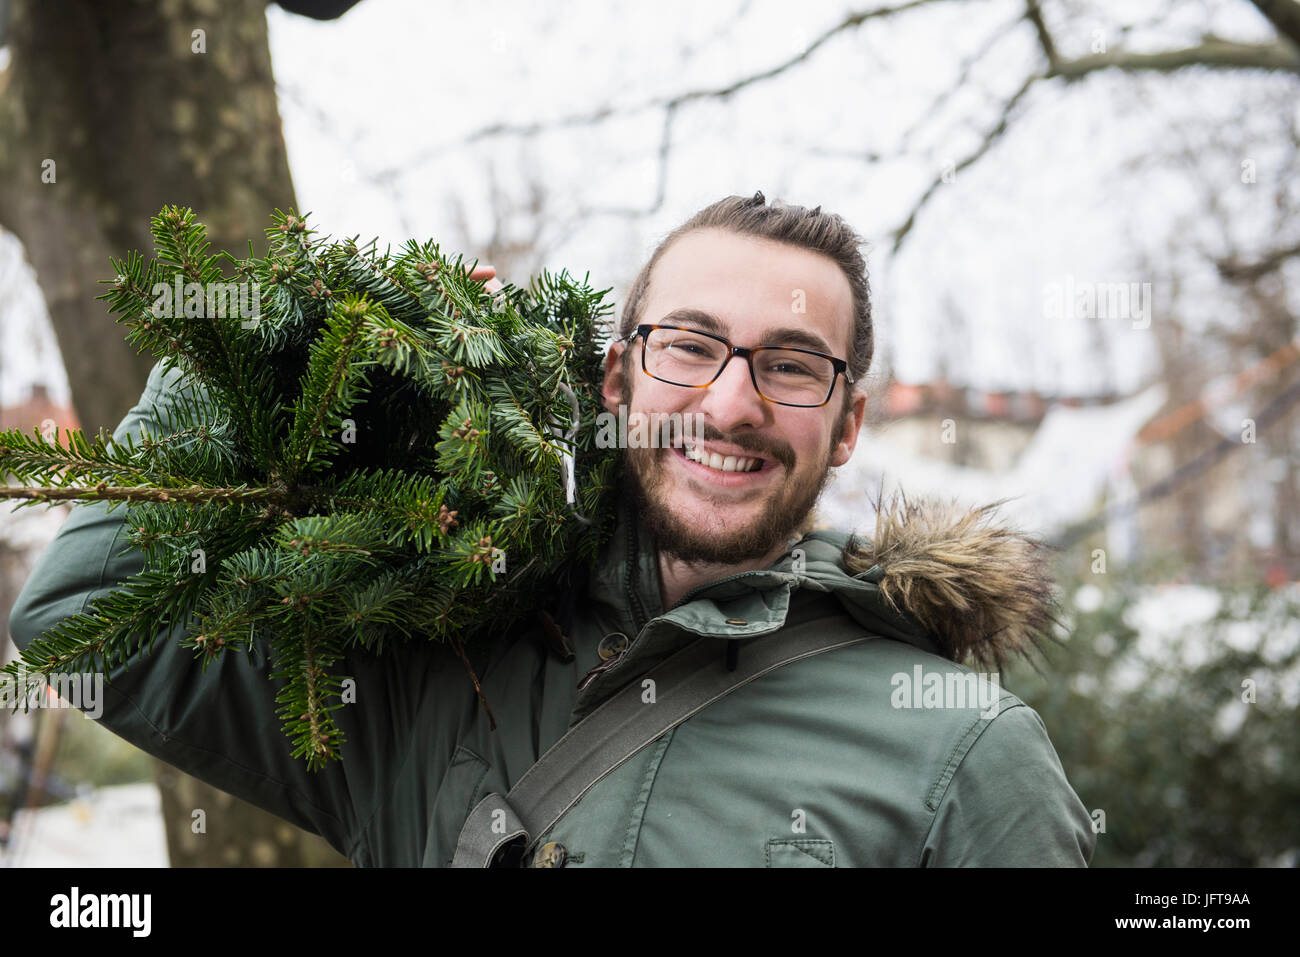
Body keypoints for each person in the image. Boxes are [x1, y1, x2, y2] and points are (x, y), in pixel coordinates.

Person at [8, 191, 1095, 867]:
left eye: (791, 365)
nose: (728, 404)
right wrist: (279, 367)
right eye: (688, 346)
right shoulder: (434, 660)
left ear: (848, 423)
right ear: (615, 376)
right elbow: (87, 622)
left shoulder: (957, 748)